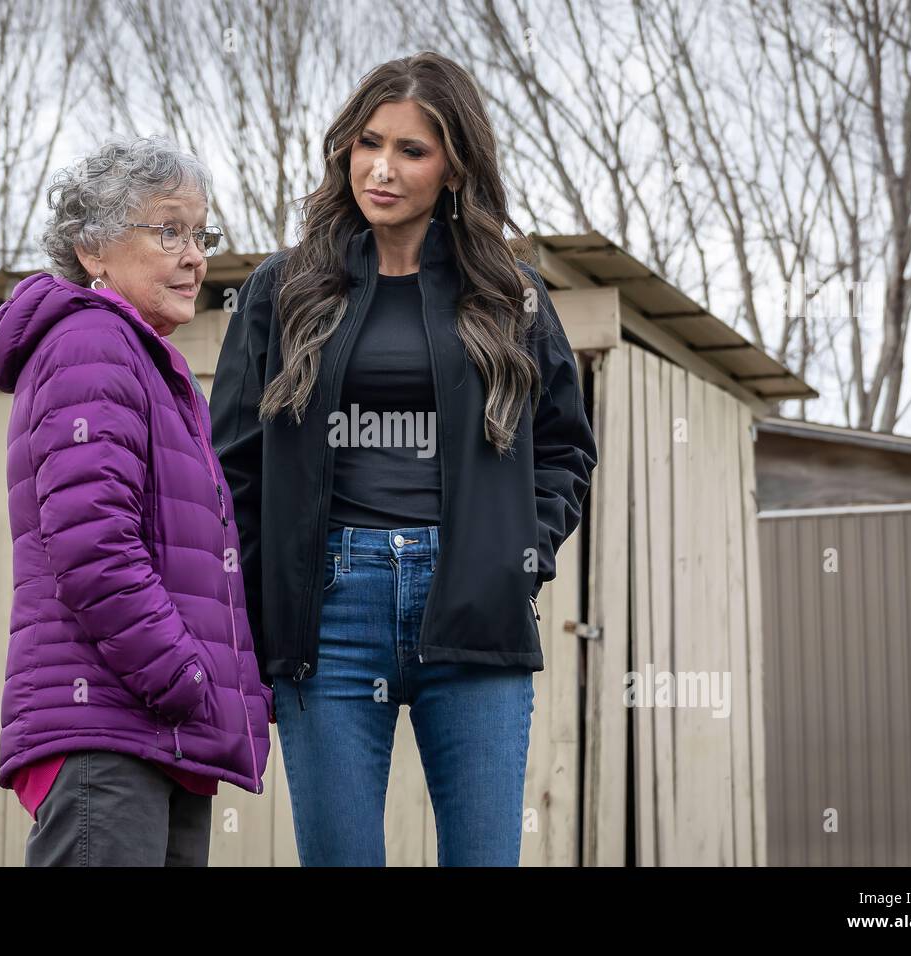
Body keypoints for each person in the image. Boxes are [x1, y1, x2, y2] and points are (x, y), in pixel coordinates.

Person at [211, 53, 596, 866]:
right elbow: (233, 465)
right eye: (368, 143)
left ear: (455, 164)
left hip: (473, 601)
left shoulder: (509, 294)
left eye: (411, 150)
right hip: (329, 610)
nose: (381, 168)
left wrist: (514, 558)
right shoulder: (284, 290)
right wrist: (263, 594)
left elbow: (563, 447)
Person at [0, 136, 273, 866]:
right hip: (110, 729)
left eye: (201, 234)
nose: (195, 256)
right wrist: (182, 674)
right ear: (93, 248)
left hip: (154, 731)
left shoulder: (141, 358)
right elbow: (92, 543)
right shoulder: (91, 344)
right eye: (168, 229)